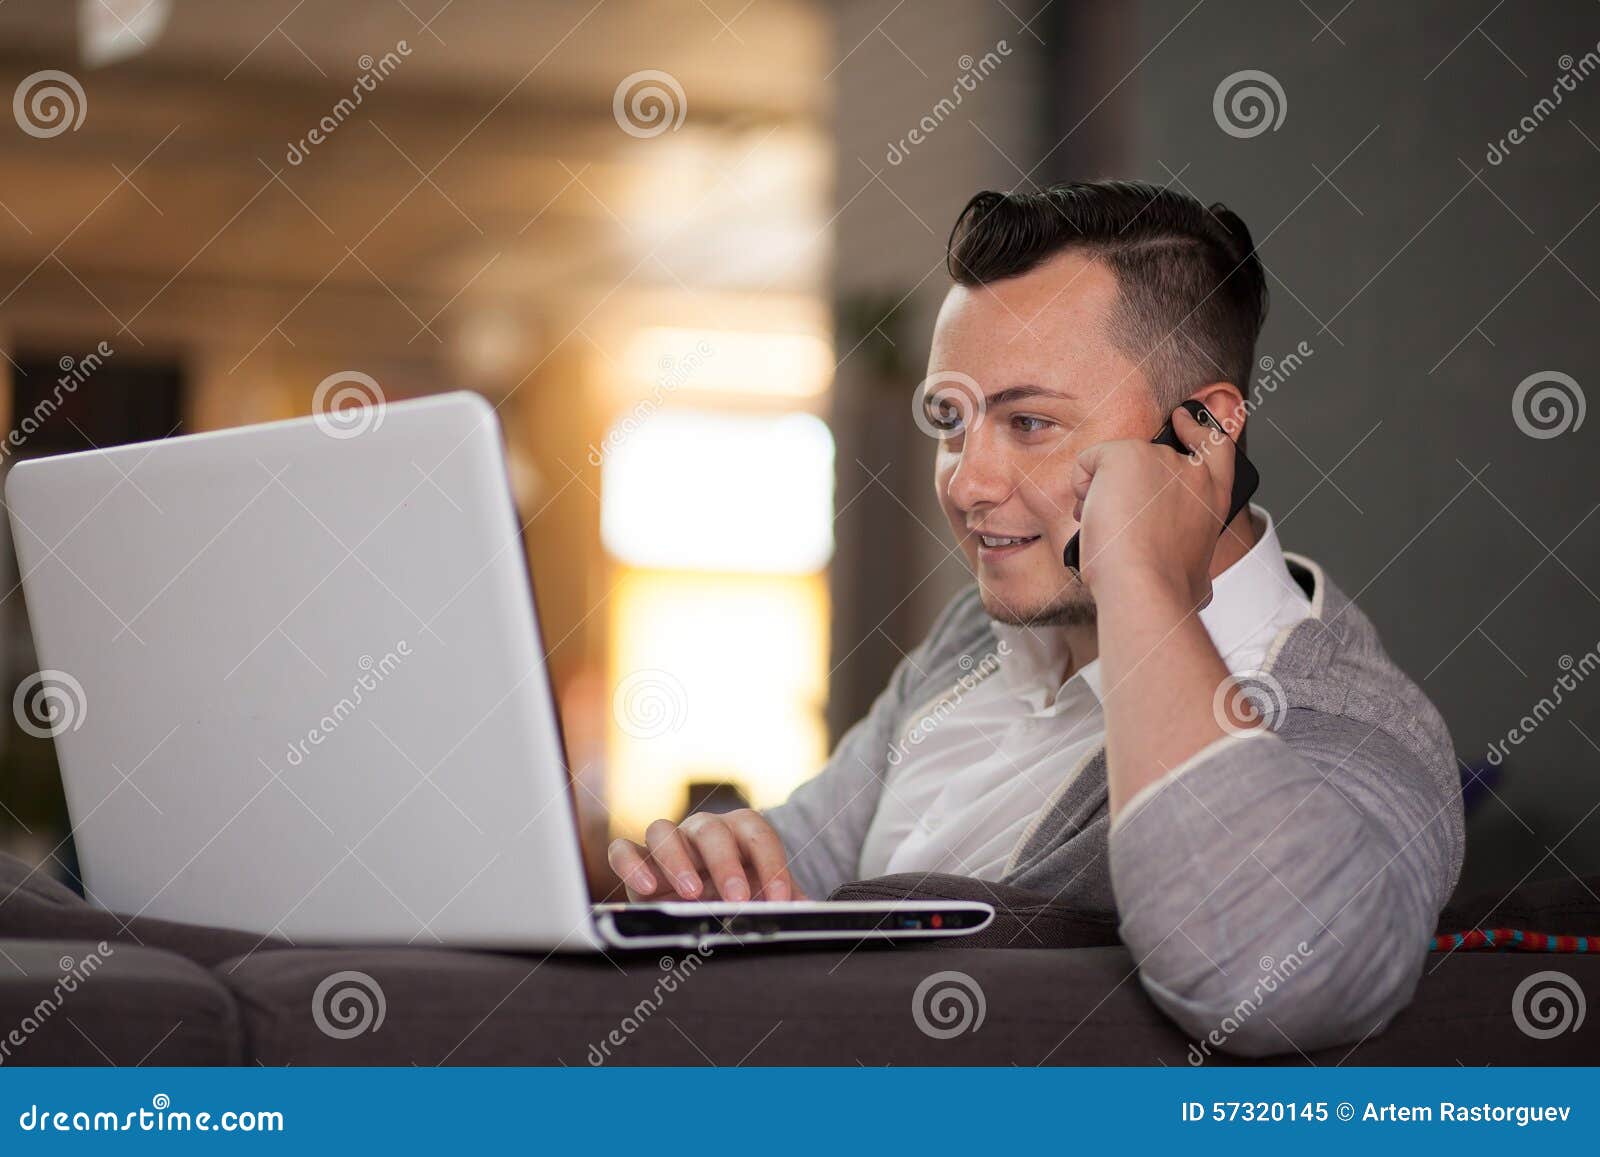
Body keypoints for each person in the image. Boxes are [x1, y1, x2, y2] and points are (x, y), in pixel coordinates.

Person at [608, 180, 1463, 1055]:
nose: (966, 482)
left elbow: (1283, 983)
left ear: (1205, 431)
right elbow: (802, 864)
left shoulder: (1352, 723)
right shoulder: (976, 643)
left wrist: (1138, 574)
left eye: (1028, 422)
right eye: (953, 423)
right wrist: (721, 863)